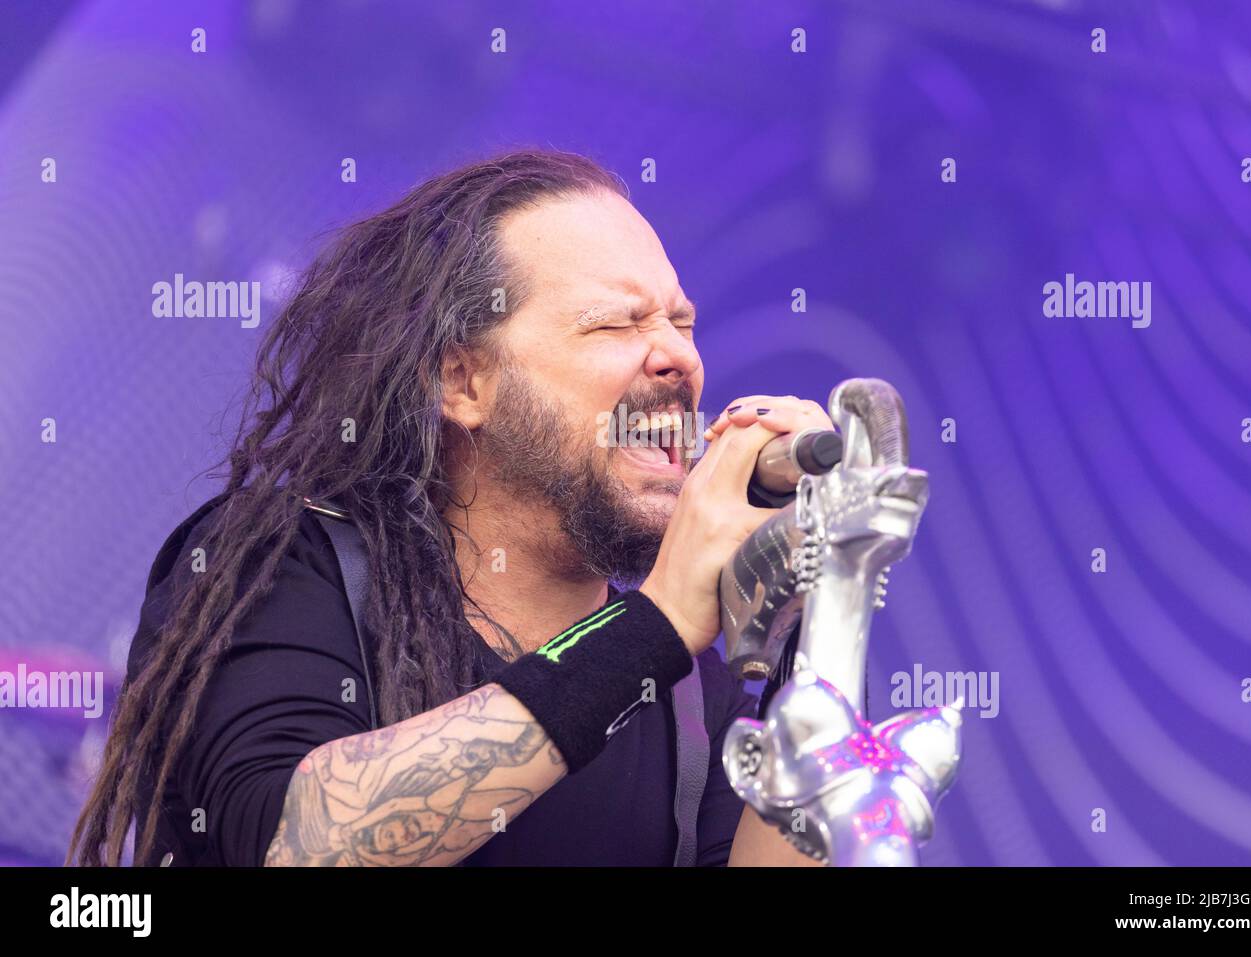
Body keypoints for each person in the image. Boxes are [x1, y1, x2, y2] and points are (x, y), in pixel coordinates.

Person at [67, 149, 833, 867]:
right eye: (615, 323)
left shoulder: (692, 695)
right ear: (462, 382)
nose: (680, 356)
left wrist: (825, 626)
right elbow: (298, 843)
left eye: (681, 322)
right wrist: (657, 624)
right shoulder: (284, 569)